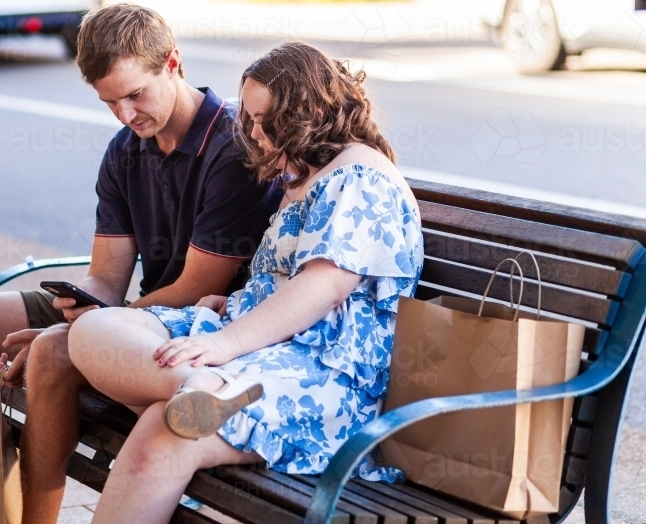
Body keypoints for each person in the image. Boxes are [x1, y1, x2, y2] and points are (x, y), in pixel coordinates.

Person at [0, 3, 282, 524]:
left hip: (203, 325)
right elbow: (107, 275)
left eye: (135, 95)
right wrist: (84, 303)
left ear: (171, 62)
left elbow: (195, 286)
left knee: (53, 349)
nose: (125, 115)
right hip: (140, 312)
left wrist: (89, 326)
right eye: (109, 102)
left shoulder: (232, 146)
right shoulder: (125, 150)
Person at [66, 41, 426, 524]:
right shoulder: (310, 174)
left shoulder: (360, 175)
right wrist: (238, 304)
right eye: (250, 119)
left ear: (307, 111)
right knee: (94, 331)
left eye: (265, 120)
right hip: (256, 350)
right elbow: (287, 278)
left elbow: (323, 286)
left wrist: (225, 345)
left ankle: (210, 389)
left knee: (170, 424)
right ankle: (203, 387)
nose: (254, 133)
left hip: (320, 374)